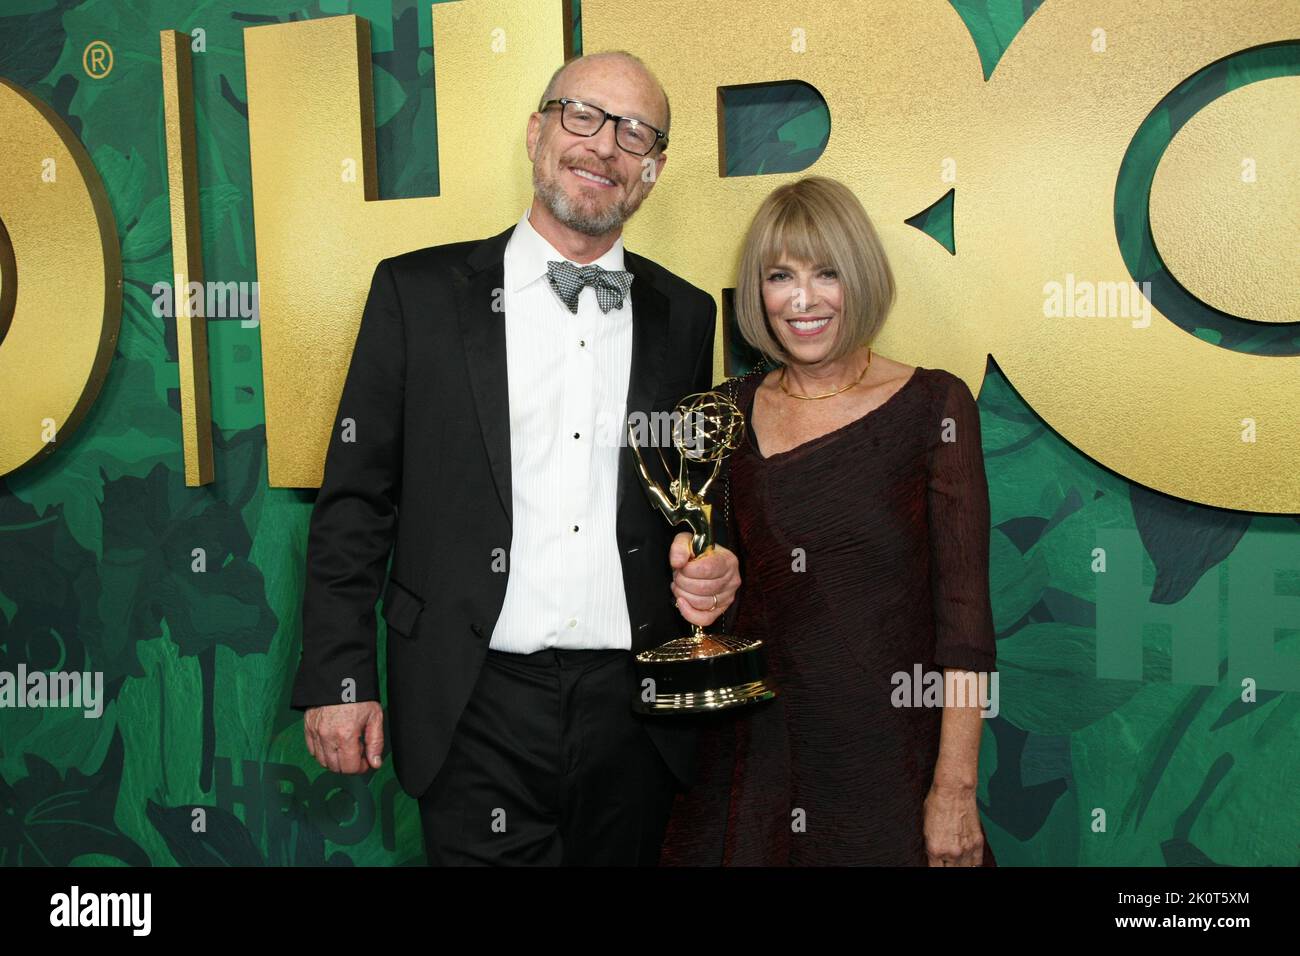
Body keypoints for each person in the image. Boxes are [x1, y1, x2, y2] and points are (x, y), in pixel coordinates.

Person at [291, 50, 741, 865]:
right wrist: (338, 676)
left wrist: (706, 560)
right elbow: (358, 500)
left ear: (654, 170)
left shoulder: (684, 314)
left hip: (634, 709)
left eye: (634, 133)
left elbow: (686, 494)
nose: (604, 145)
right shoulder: (416, 294)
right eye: (582, 116)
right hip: (472, 702)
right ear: (537, 133)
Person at [661, 176, 998, 866]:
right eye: (780, 275)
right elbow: (718, 572)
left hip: (887, 764)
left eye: (827, 273)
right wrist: (707, 580)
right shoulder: (725, 410)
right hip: (753, 764)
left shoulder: (933, 405)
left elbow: (965, 628)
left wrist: (954, 789)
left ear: (863, 278)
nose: (802, 299)